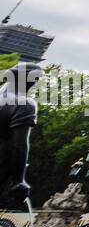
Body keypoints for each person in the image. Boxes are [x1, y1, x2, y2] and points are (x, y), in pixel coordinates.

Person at [0, 62, 43, 208]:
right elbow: (19, 145)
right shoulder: (24, 104)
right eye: (35, 79)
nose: (35, 84)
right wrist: (19, 180)